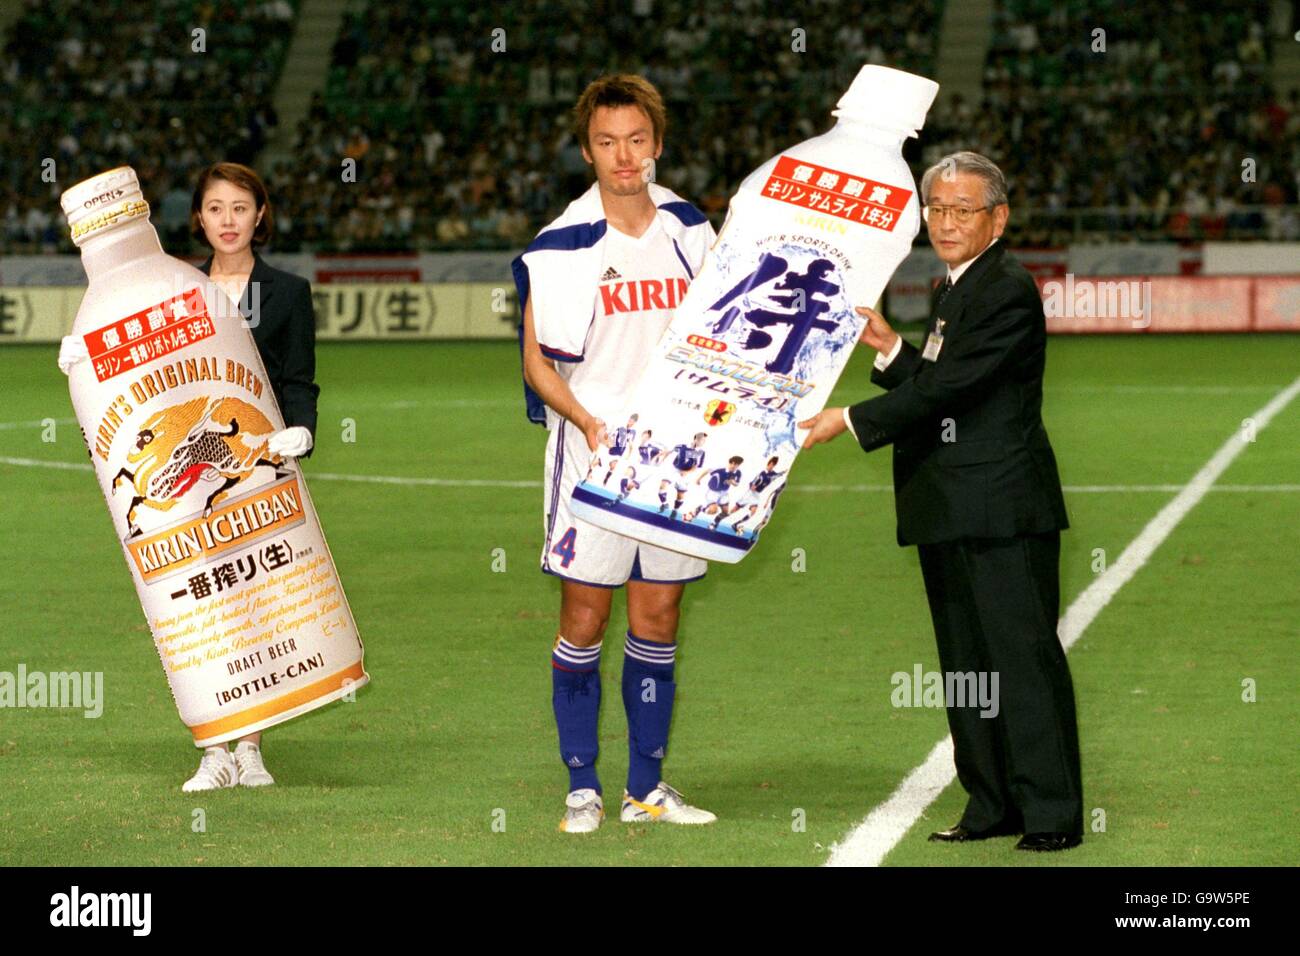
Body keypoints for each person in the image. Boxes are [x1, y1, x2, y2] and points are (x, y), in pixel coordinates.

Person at [799, 151, 1083, 852]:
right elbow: (940, 378)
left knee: (1019, 662)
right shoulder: (959, 285)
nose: (947, 222)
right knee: (968, 669)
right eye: (937, 209)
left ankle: (1050, 813)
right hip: (953, 507)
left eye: (963, 210)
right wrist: (892, 346)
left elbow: (949, 393)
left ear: (999, 217)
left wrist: (852, 420)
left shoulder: (1005, 287)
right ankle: (992, 804)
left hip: (1001, 508)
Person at [514, 74, 718, 833]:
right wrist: (589, 421)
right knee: (585, 619)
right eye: (608, 142)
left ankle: (645, 789)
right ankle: (582, 786)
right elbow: (538, 364)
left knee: (659, 615)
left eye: (637, 140)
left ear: (657, 144)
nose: (624, 156)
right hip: (592, 457)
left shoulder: (692, 228)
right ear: (587, 150)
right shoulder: (561, 245)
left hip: (674, 461)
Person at [186, 162, 320, 791]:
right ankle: (214, 749)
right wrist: (84, 357)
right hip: (192, 479)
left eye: (241, 207)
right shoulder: (178, 290)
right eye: (216, 208)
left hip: (263, 471)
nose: (229, 220)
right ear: (199, 217)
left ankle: (250, 746)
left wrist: (304, 430)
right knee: (205, 611)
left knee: (261, 608)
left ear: (260, 214)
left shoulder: (287, 292)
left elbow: (298, 380)